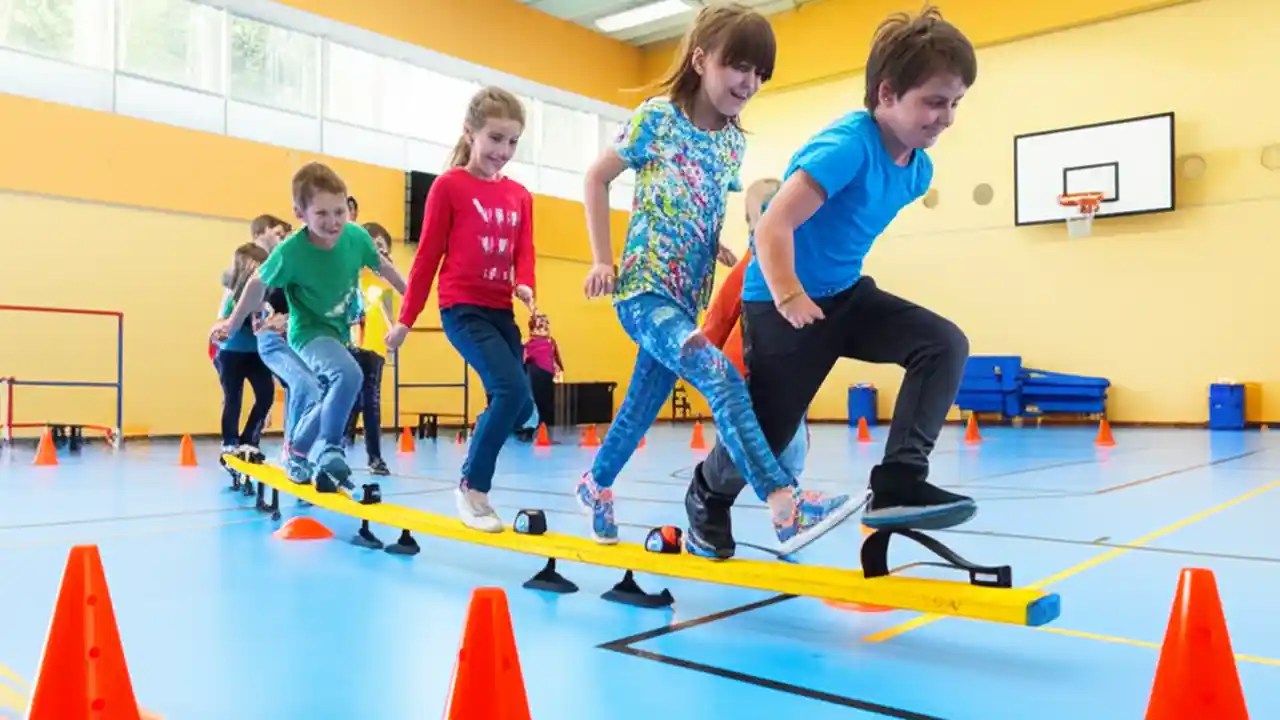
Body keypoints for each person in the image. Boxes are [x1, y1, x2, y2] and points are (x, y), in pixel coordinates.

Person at [685, 5, 979, 560]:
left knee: (942, 343)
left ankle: (897, 482)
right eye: (934, 102)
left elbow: (841, 235)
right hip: (781, 302)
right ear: (887, 94)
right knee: (767, 436)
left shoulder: (917, 168)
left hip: (844, 296)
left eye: (955, 103)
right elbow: (773, 223)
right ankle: (707, 494)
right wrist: (789, 295)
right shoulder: (848, 145)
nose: (946, 117)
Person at [574, 4, 855, 553]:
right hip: (643, 290)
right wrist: (602, 258)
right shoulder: (657, 118)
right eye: (738, 67)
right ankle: (783, 502)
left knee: (639, 407)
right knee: (722, 378)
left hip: (687, 296)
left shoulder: (732, 142)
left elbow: (696, 201)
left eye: (759, 74)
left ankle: (595, 483)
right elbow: (595, 177)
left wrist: (712, 245)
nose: (748, 83)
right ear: (701, 60)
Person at [385, 86, 537, 533]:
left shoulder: (521, 195)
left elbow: (524, 250)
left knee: (522, 402)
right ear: (470, 133)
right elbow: (427, 257)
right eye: (495, 139)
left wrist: (526, 284)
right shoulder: (449, 187)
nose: (503, 151)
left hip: (501, 311)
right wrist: (405, 321)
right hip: (462, 310)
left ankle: (477, 454)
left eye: (512, 142)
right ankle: (472, 487)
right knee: (510, 393)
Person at [213, 162, 407, 492]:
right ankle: (329, 448)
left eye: (339, 211)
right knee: (349, 375)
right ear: (300, 213)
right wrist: (231, 323)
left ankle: (296, 451)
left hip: (338, 332)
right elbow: (257, 285)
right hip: (307, 333)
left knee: (334, 389)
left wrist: (411, 303)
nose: (333, 223)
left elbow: (385, 269)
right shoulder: (291, 251)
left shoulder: (356, 237)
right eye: (322, 214)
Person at [700, 177, 810, 480]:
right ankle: (714, 498)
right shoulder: (755, 263)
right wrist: (701, 362)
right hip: (745, 370)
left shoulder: (807, 262)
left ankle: (786, 499)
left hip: (786, 373)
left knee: (785, 441)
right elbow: (720, 316)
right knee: (756, 445)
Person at [213, 243, 275, 463]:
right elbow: (222, 322)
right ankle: (230, 442)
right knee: (233, 398)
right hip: (231, 353)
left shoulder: (265, 295)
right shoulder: (233, 297)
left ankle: (250, 439)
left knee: (266, 395)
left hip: (256, 354)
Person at [343, 221, 396, 475]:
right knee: (349, 398)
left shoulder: (386, 282)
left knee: (371, 401)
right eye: (373, 245)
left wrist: (395, 332)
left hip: (374, 349)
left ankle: (374, 457)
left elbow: (390, 314)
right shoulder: (353, 273)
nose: (378, 251)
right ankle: (339, 445)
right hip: (351, 345)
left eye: (382, 247)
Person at [522, 312, 563, 439]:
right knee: (537, 401)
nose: (544, 328)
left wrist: (559, 370)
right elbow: (523, 359)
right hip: (535, 373)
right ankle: (531, 429)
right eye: (540, 325)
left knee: (546, 402)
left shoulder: (551, 342)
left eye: (546, 325)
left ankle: (543, 428)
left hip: (547, 374)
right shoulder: (529, 343)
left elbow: (556, 358)